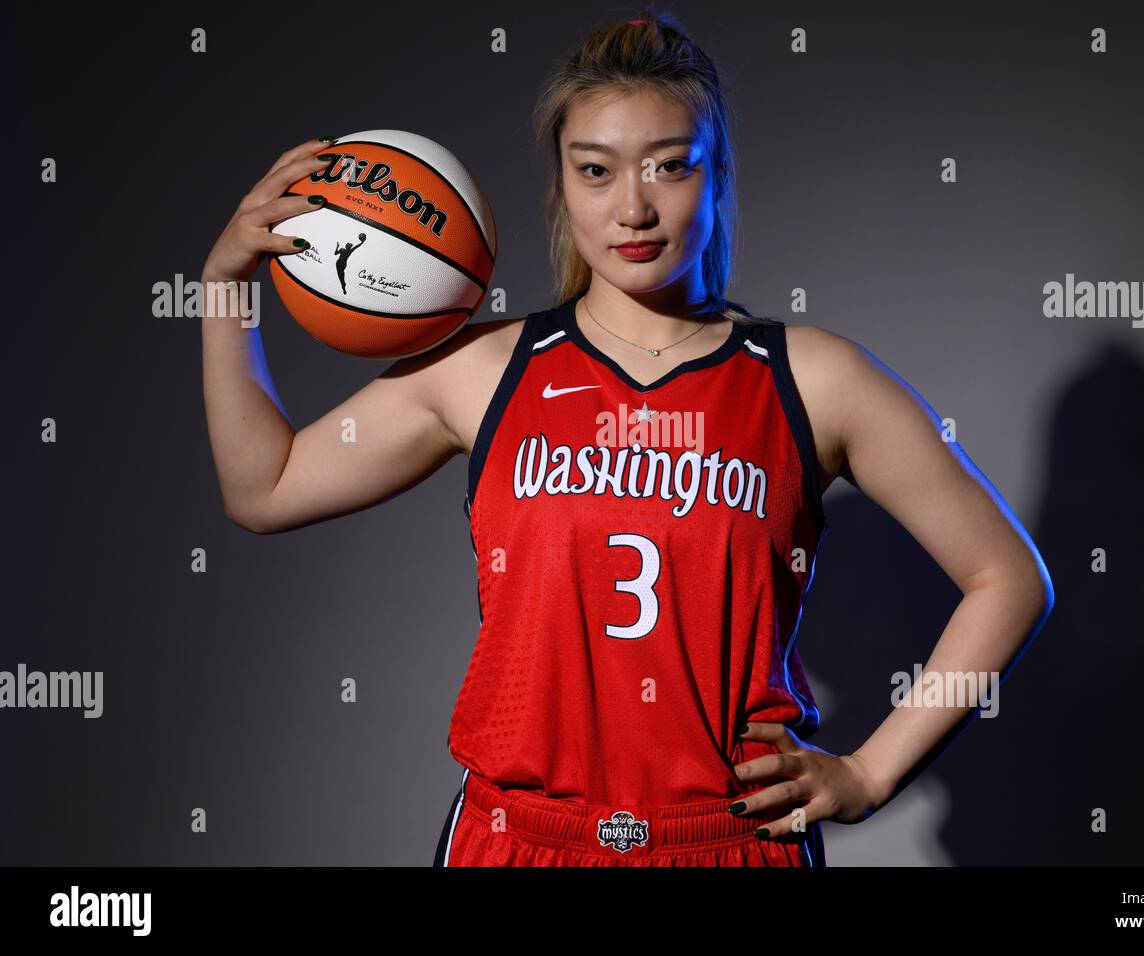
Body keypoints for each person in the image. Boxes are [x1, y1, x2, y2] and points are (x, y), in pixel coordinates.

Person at [199, 12, 1052, 867]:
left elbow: (1008, 578)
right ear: (562, 189)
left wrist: (869, 774)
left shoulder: (810, 379)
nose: (634, 207)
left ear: (716, 175)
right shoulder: (487, 370)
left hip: (728, 842)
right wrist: (224, 289)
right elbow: (262, 487)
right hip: (519, 841)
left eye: (671, 166)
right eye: (596, 171)